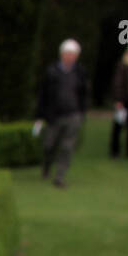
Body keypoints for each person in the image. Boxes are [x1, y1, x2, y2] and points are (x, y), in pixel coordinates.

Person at [34, 39, 88, 188]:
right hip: (54, 116)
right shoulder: (51, 72)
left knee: (67, 147)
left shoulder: (80, 72)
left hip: (73, 114)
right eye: (67, 53)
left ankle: (59, 176)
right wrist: (40, 115)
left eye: (73, 54)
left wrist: (82, 111)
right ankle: (46, 166)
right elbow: (43, 94)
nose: (70, 57)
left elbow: (84, 93)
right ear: (62, 54)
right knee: (49, 145)